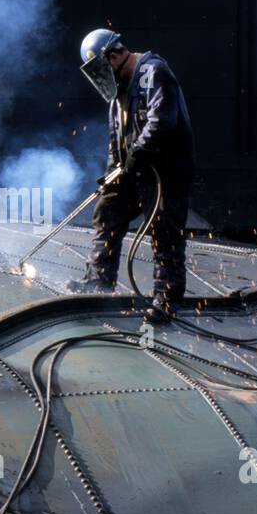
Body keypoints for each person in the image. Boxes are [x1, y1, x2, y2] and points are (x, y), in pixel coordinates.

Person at [68, 27, 194, 325]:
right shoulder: (117, 94)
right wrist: (113, 173)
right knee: (107, 212)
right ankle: (99, 282)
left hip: (165, 173)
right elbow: (116, 140)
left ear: (114, 56)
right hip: (134, 170)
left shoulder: (154, 72)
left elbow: (162, 120)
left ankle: (166, 300)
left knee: (164, 231)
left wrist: (137, 153)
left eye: (102, 67)